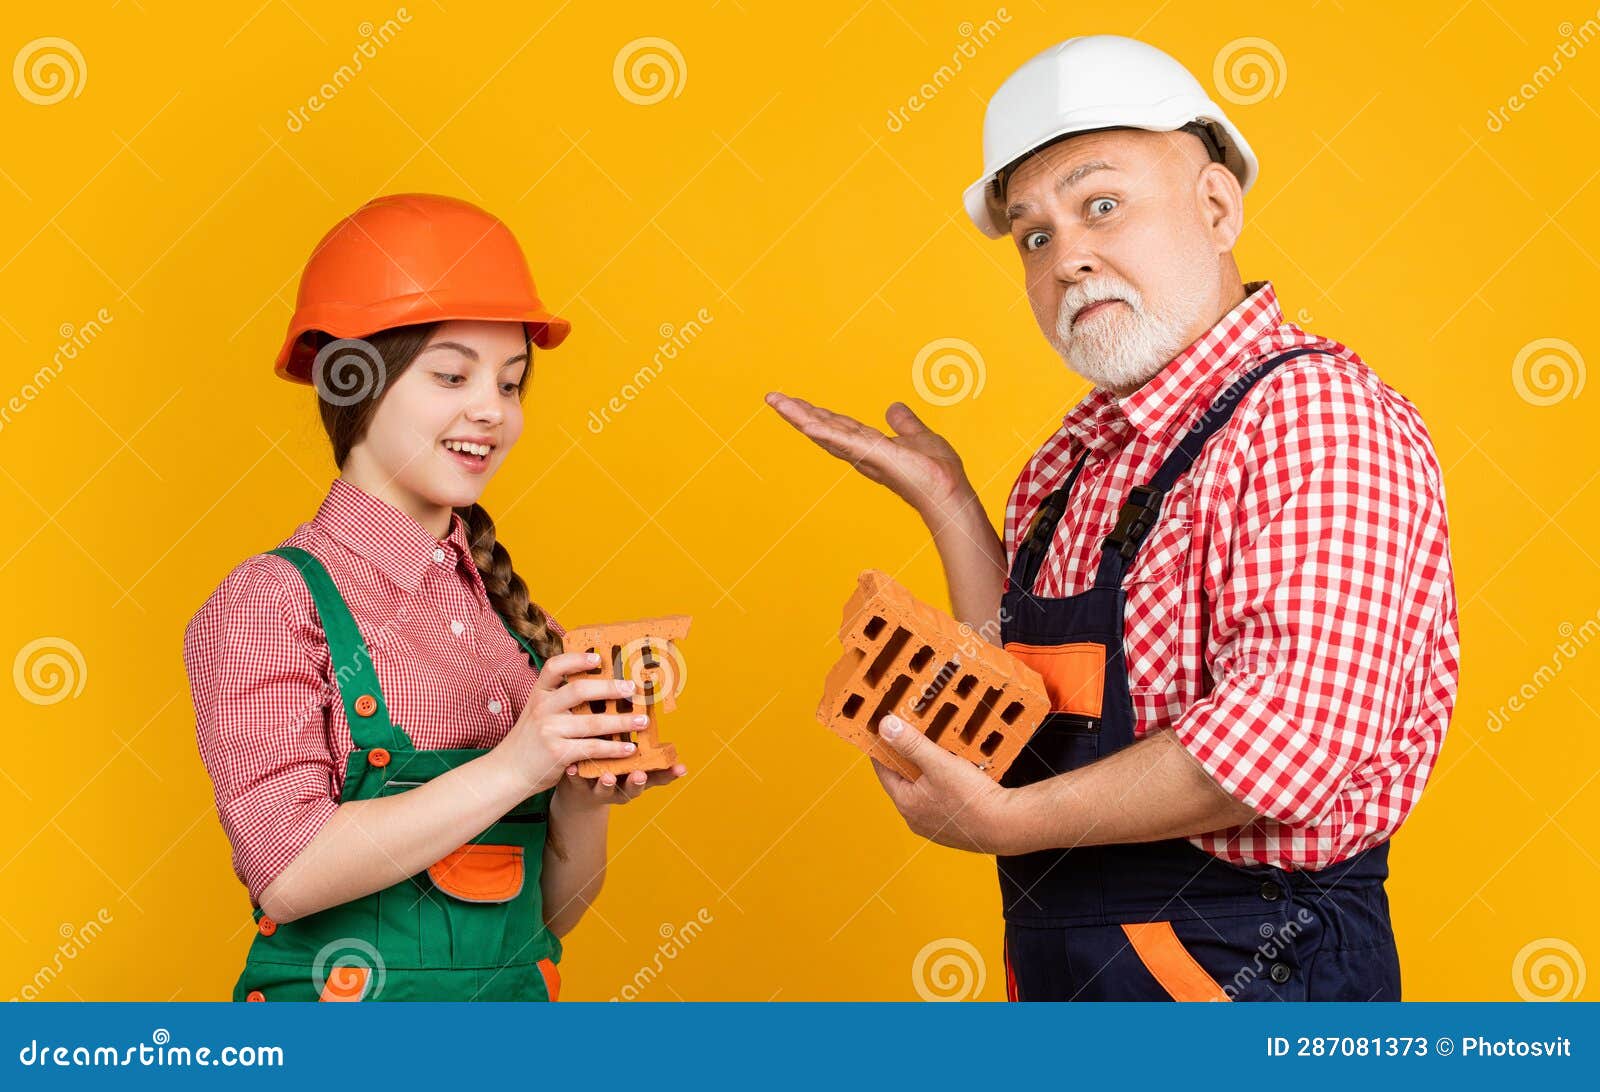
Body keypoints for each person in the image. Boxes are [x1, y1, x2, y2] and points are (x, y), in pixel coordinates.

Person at [766, 35, 1459, 1001]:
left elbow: (1287, 738)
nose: (1069, 260)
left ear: (1216, 208)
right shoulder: (1067, 462)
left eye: (1101, 205)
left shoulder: (1310, 419)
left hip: (1252, 967)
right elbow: (1017, 705)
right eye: (1035, 236)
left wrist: (1010, 826)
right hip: (1066, 970)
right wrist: (950, 502)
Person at [183, 193, 685, 1001]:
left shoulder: (512, 624)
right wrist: (519, 765)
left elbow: (552, 914)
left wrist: (584, 805)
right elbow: (286, 871)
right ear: (352, 376)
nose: (493, 410)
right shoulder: (271, 604)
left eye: (513, 383)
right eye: (452, 374)